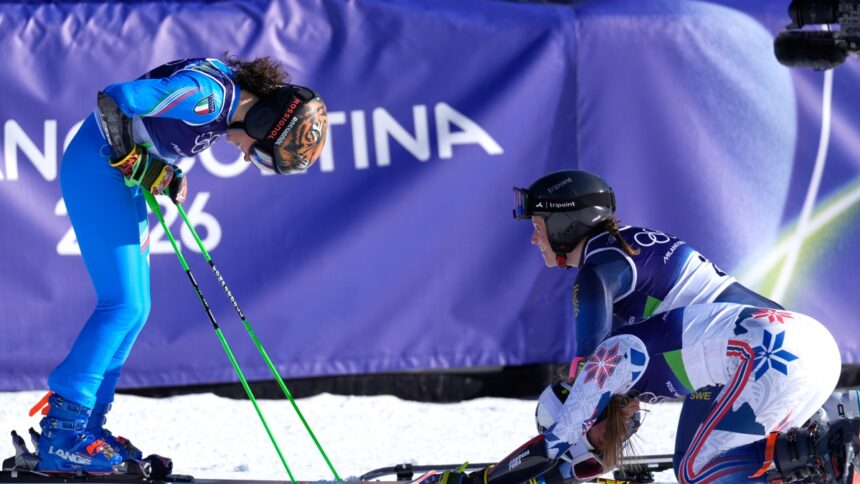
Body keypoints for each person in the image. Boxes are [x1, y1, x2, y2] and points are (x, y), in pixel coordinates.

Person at [29, 56, 328, 474]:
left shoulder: (223, 108)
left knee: (135, 309)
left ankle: (87, 428)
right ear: (263, 122)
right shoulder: (209, 97)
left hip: (115, 178)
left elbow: (147, 134)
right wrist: (134, 160)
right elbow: (116, 99)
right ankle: (64, 433)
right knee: (124, 305)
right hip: (96, 169)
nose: (248, 160)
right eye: (262, 155)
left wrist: (160, 168)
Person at [512, 169, 786, 473]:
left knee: (700, 468)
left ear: (564, 225)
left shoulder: (597, 272)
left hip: (754, 353)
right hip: (763, 346)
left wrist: (553, 459)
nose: (534, 238)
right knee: (697, 462)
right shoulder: (620, 247)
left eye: (537, 225)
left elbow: (594, 374)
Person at [427, 303, 856, 483]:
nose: (620, 438)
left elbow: (553, 447)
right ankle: (831, 447)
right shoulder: (642, 380)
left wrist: (478, 480)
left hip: (774, 354)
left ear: (583, 416)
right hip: (810, 347)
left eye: (595, 444)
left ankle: (831, 448)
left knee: (695, 469)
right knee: (730, 457)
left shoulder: (607, 365)